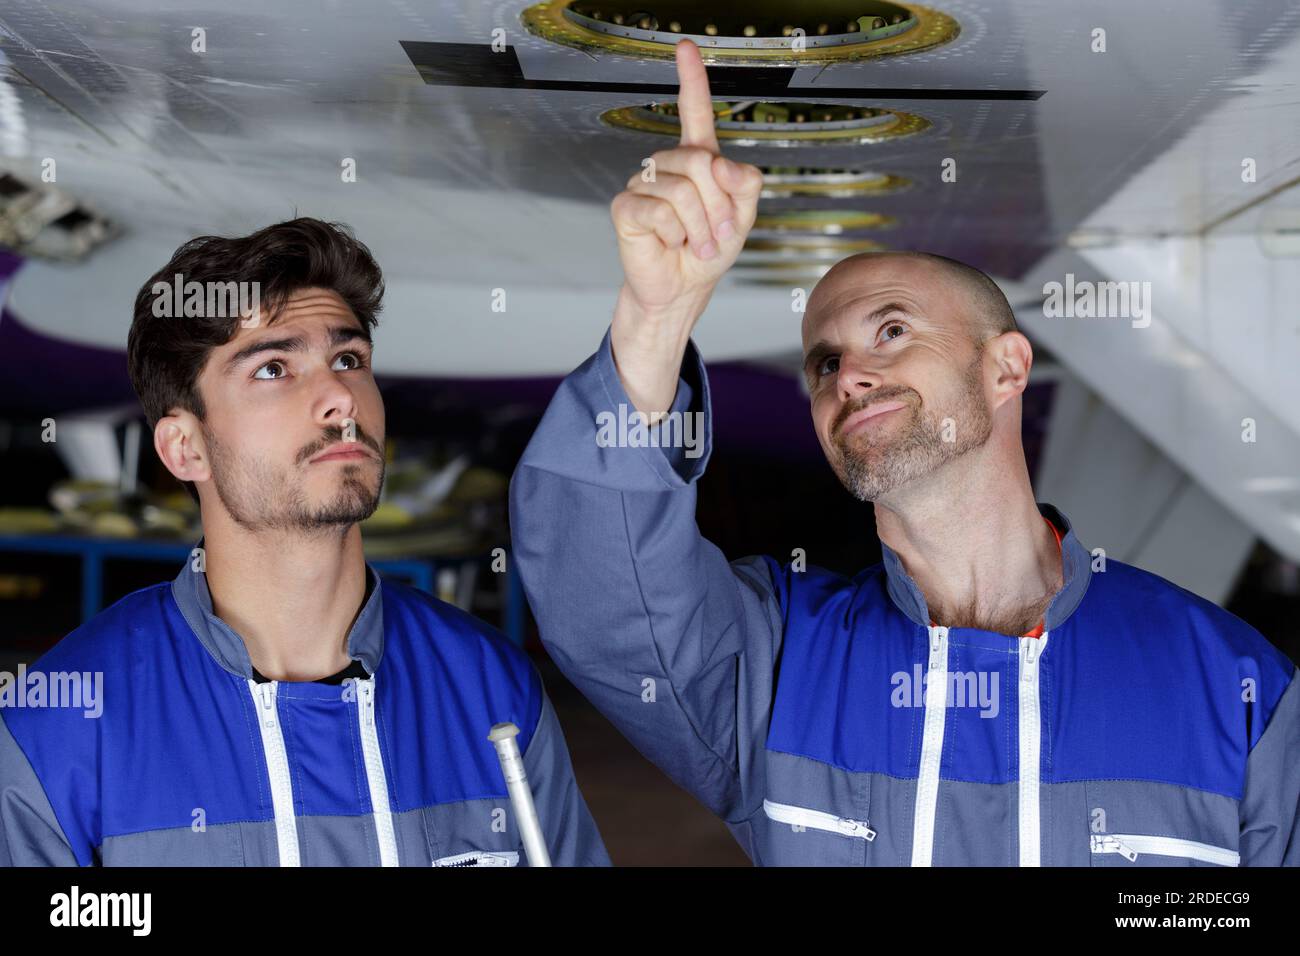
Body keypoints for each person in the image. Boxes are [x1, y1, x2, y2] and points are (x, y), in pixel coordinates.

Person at [508, 39, 1299, 866]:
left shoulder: (1237, 691)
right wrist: (657, 316)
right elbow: (601, 592)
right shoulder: (776, 669)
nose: (847, 373)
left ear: (1006, 367)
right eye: (822, 362)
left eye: (892, 330)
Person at [0, 218, 608, 867]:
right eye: (274, 368)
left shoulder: (492, 688)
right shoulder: (59, 725)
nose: (340, 398)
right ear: (185, 447)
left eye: (348, 360)